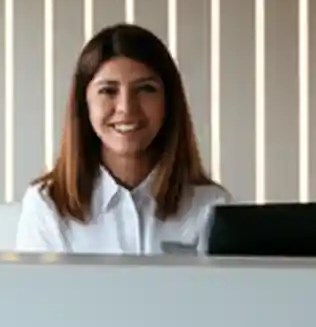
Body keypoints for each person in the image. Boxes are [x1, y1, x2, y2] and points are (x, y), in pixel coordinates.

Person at [16, 23, 230, 254]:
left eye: (145, 89)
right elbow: (40, 291)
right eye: (108, 91)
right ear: (84, 103)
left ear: (168, 103)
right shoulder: (48, 205)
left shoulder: (211, 206)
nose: (127, 109)